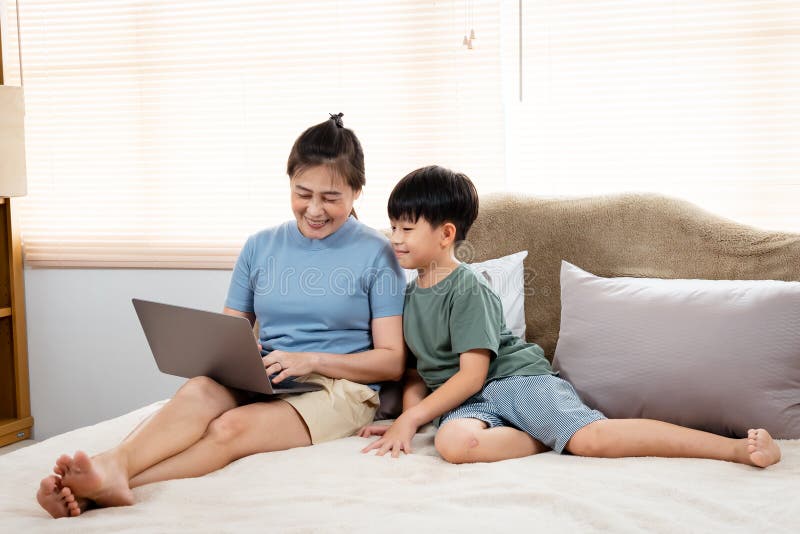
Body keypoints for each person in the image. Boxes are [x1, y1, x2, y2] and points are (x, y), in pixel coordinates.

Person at [36, 113, 407, 518]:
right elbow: (229, 332)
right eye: (303, 193)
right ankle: (113, 464)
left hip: (342, 388)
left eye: (331, 198)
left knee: (229, 427)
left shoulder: (378, 252)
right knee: (198, 389)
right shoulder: (259, 246)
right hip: (268, 374)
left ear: (356, 192)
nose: (314, 209)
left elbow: (391, 361)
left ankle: (99, 490)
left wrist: (311, 360)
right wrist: (238, 359)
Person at [359, 164, 782, 469]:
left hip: (512, 382)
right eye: (393, 227)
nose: (395, 238)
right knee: (454, 444)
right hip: (469, 403)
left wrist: (413, 417)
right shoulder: (411, 296)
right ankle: (545, 437)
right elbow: (419, 374)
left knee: (591, 440)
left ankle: (731, 449)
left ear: (446, 233)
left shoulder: (466, 287)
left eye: (406, 229)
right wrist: (404, 422)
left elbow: (472, 374)